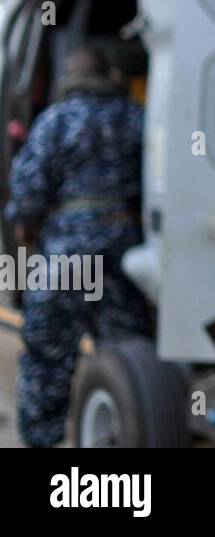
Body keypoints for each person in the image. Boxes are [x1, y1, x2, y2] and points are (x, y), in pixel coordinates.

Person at [5, 43, 153, 447]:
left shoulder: (54, 121)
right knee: (127, 350)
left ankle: (43, 440)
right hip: (125, 252)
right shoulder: (137, 118)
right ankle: (126, 426)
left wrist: (25, 227)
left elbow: (27, 192)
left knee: (47, 354)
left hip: (67, 253)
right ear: (111, 76)